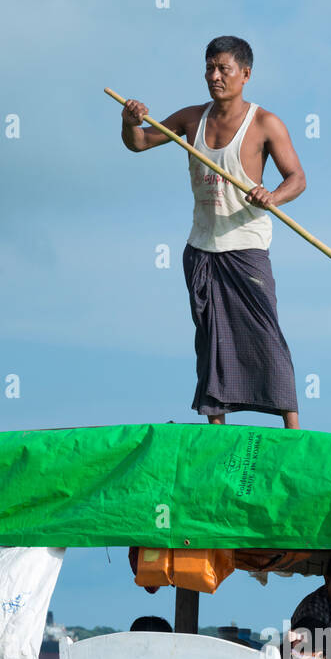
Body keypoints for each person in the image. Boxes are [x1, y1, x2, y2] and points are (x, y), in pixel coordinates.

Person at [121, 36, 305, 427]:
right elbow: (137, 144)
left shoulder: (264, 123)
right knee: (210, 341)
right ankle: (217, 430)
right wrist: (129, 121)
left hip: (246, 247)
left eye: (224, 69)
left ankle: (293, 432)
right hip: (201, 248)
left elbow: (297, 178)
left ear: (246, 74)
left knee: (265, 334)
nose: (215, 76)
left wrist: (271, 195)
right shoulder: (191, 118)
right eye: (209, 68)